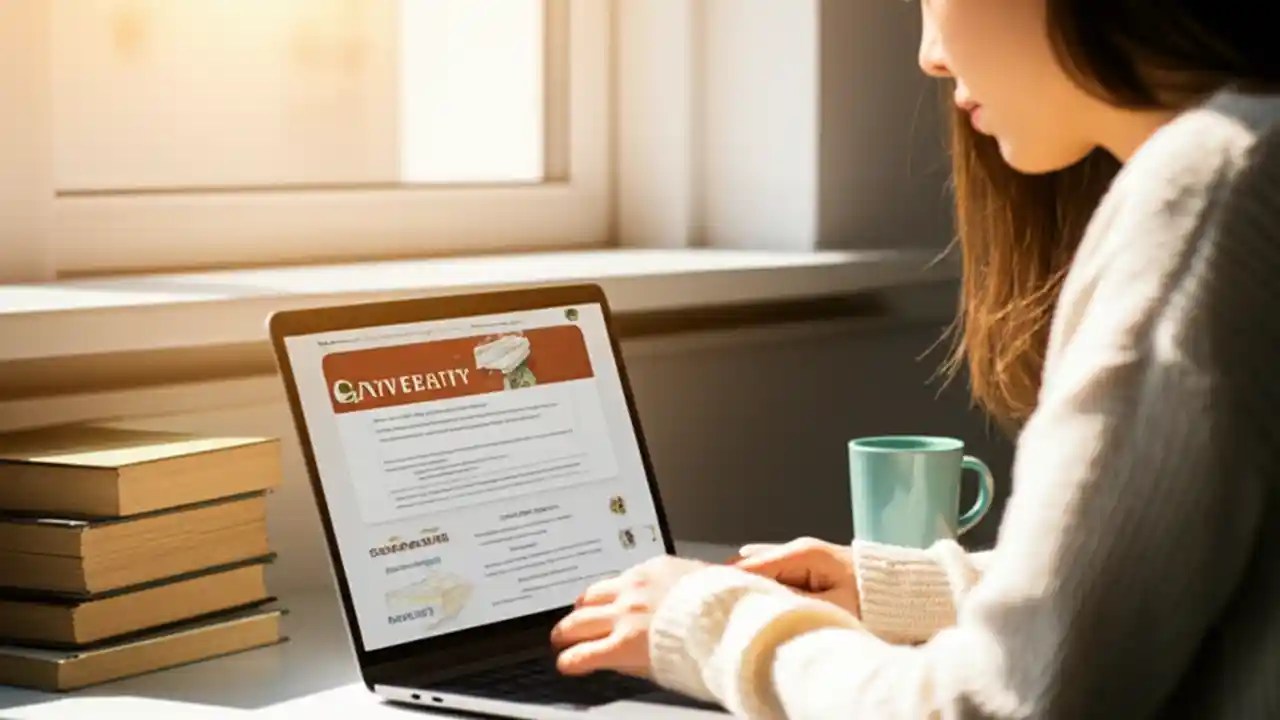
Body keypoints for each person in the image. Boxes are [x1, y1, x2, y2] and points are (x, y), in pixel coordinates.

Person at [550, 0, 1280, 717]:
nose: (929, 56)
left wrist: (707, 620)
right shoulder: (1258, 150)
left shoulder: (1214, 184)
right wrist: (907, 590)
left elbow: (995, 704)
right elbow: (1166, 591)